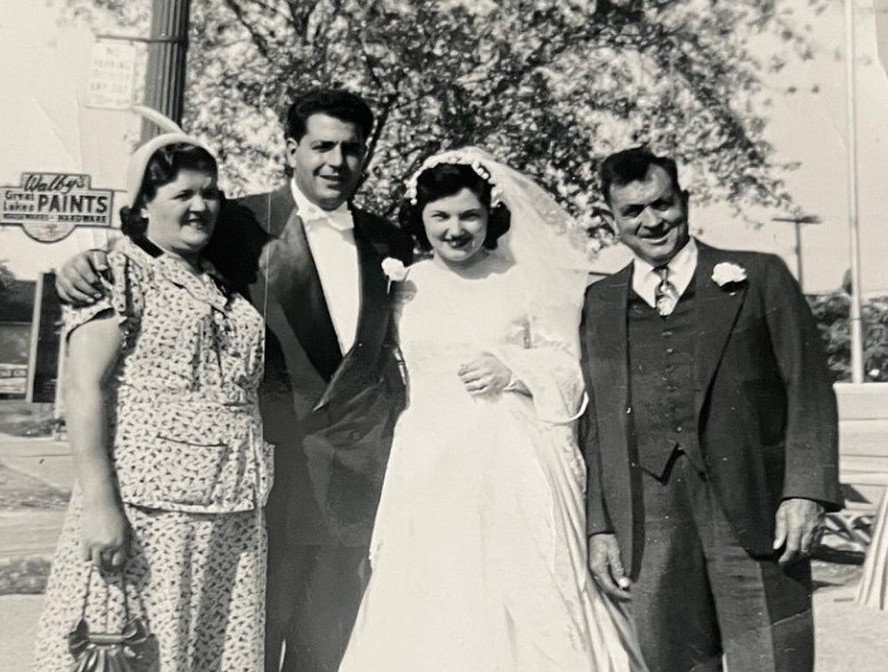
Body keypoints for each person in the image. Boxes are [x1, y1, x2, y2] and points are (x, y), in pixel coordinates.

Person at [54, 89, 413, 672]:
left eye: (351, 149)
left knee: (327, 646)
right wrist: (84, 263)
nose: (336, 162)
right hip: (257, 485)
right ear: (292, 148)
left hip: (354, 481)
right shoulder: (237, 219)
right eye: (322, 146)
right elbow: (156, 244)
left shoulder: (389, 241)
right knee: (230, 646)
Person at [338, 148, 647, 672]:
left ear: (490, 215)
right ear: (421, 217)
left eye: (469, 216)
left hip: (512, 462)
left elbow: (571, 369)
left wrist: (514, 369)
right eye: (441, 216)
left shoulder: (522, 280)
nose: (455, 229)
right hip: (430, 469)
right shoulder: (403, 285)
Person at [579, 146, 842, 671]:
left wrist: (805, 491)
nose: (652, 221)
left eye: (663, 204)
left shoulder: (758, 276)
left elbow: (808, 389)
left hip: (754, 510)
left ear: (686, 201)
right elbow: (597, 420)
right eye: (633, 211)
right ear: (612, 221)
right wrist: (600, 525)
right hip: (650, 523)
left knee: (771, 661)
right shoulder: (600, 301)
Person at [34, 134, 271, 670]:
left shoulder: (221, 286)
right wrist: (100, 508)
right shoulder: (116, 273)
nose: (200, 206)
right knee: (136, 650)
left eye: (210, 193)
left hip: (231, 508)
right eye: (182, 193)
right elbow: (83, 388)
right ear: (142, 204)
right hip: (147, 514)